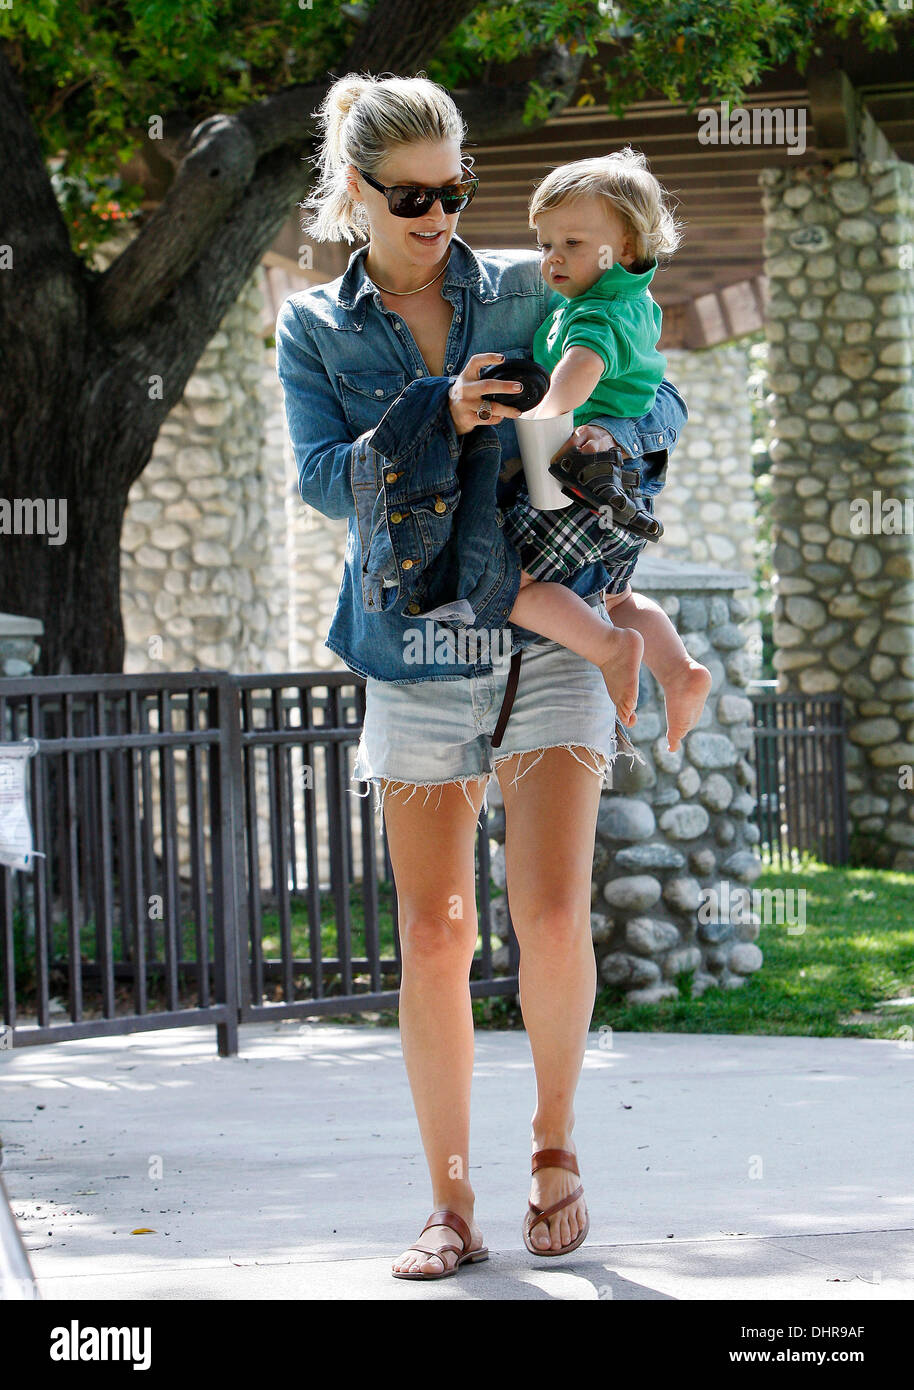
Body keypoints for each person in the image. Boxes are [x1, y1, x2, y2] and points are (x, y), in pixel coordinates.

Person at [276, 70, 688, 1281]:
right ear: (356, 191)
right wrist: (434, 415)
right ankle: (447, 1204)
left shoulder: (524, 283)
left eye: (456, 190)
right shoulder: (313, 324)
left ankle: (553, 1149)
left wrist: (618, 440)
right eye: (411, 195)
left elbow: (647, 380)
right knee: (436, 934)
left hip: (542, 636)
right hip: (410, 646)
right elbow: (319, 480)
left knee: (553, 916)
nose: (439, 215)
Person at [502, 150, 711, 751]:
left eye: (571, 241)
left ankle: (608, 647)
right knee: (615, 594)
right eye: (544, 244)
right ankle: (678, 670)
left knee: (511, 585)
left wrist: (542, 416)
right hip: (624, 485)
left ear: (625, 247)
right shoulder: (635, 301)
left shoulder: (597, 314)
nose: (552, 258)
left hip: (582, 484)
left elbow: (577, 372)